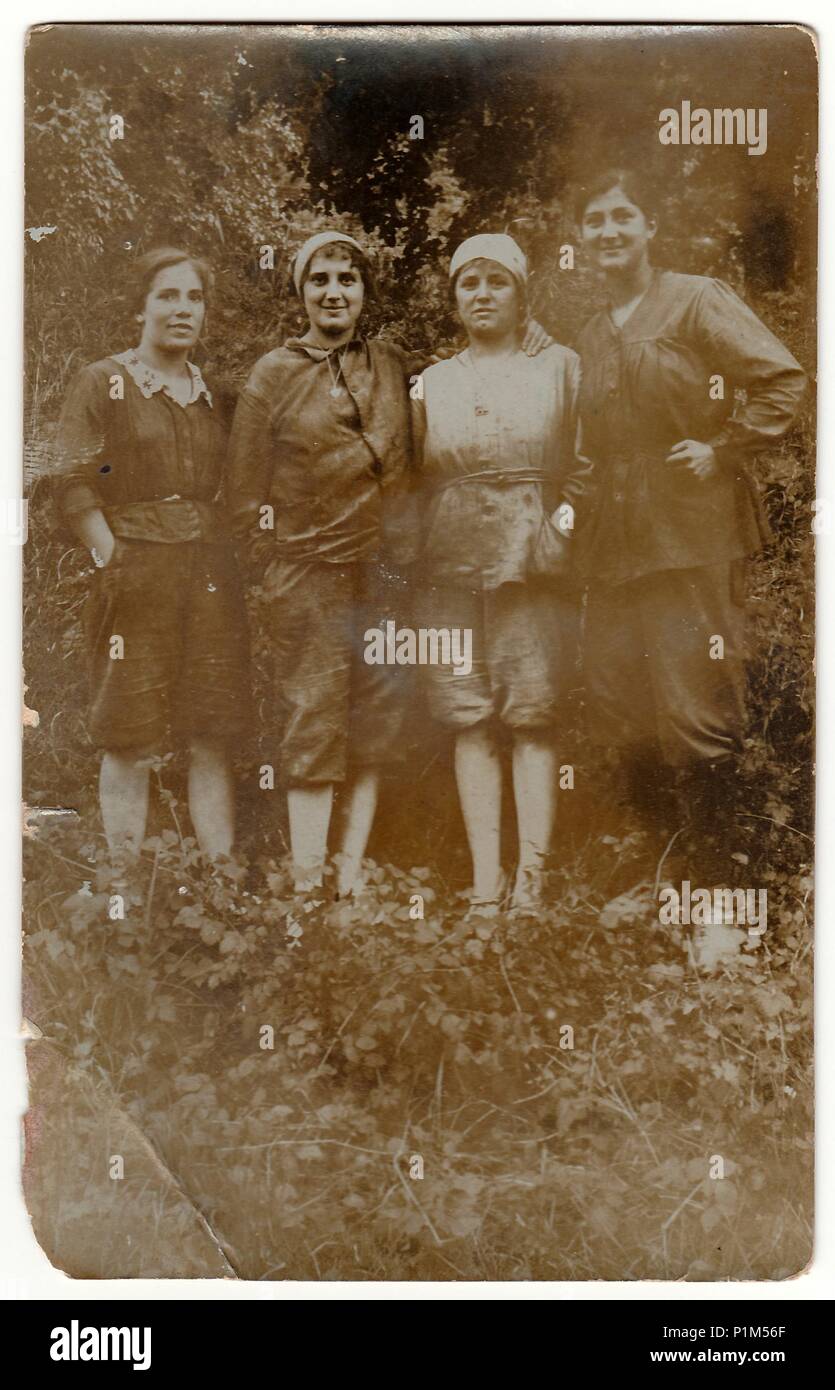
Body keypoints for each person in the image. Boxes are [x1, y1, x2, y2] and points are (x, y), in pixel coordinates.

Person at [573, 169, 807, 879]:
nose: (609, 230)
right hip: (613, 547)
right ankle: (661, 877)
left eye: (623, 216)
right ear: (579, 238)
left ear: (649, 229)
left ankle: (718, 895)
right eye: (594, 220)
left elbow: (784, 380)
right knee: (623, 707)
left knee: (696, 710)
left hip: (691, 535)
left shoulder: (694, 299)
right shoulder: (589, 331)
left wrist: (723, 447)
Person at [411, 234, 592, 916]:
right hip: (450, 558)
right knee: (467, 715)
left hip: (533, 554)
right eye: (469, 284)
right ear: (454, 299)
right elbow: (409, 475)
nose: (482, 295)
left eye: (497, 283)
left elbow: (588, 459)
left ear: (521, 294)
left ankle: (533, 888)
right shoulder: (432, 380)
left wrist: (562, 526)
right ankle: (486, 888)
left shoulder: (561, 367)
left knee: (532, 713)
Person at [54, 247, 250, 865]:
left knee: (213, 731)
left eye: (194, 298)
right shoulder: (103, 381)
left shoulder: (215, 394)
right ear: (140, 306)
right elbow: (69, 479)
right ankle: (121, 887)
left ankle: (219, 885)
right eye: (168, 295)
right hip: (136, 570)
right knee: (130, 732)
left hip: (210, 574)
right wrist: (111, 555)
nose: (182, 309)